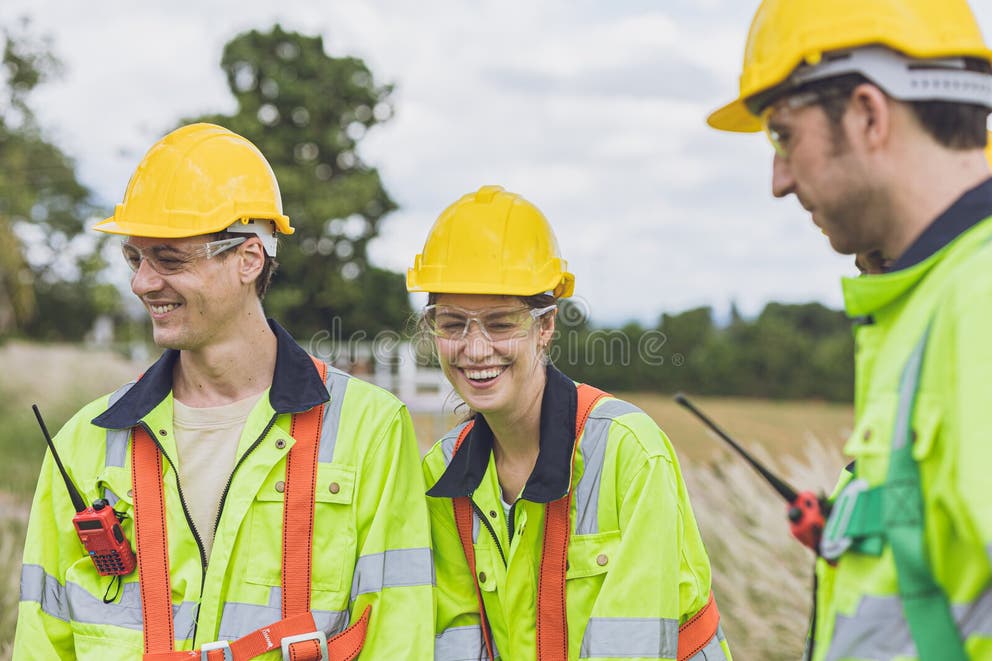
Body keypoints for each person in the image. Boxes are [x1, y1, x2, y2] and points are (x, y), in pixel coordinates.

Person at [13, 123, 434, 660]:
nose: (142, 282)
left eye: (169, 259)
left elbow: (401, 638)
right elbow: (41, 642)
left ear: (249, 258)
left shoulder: (368, 430)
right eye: (135, 258)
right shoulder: (81, 444)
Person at [708, 1, 992, 659]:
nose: (778, 180)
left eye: (782, 135)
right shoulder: (926, 298)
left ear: (868, 114)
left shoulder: (978, 299)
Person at [408, 185, 732, 661]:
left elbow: (632, 646)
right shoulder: (442, 473)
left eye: (500, 324)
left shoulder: (627, 451)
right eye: (452, 323)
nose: (474, 349)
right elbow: (459, 636)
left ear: (545, 327)